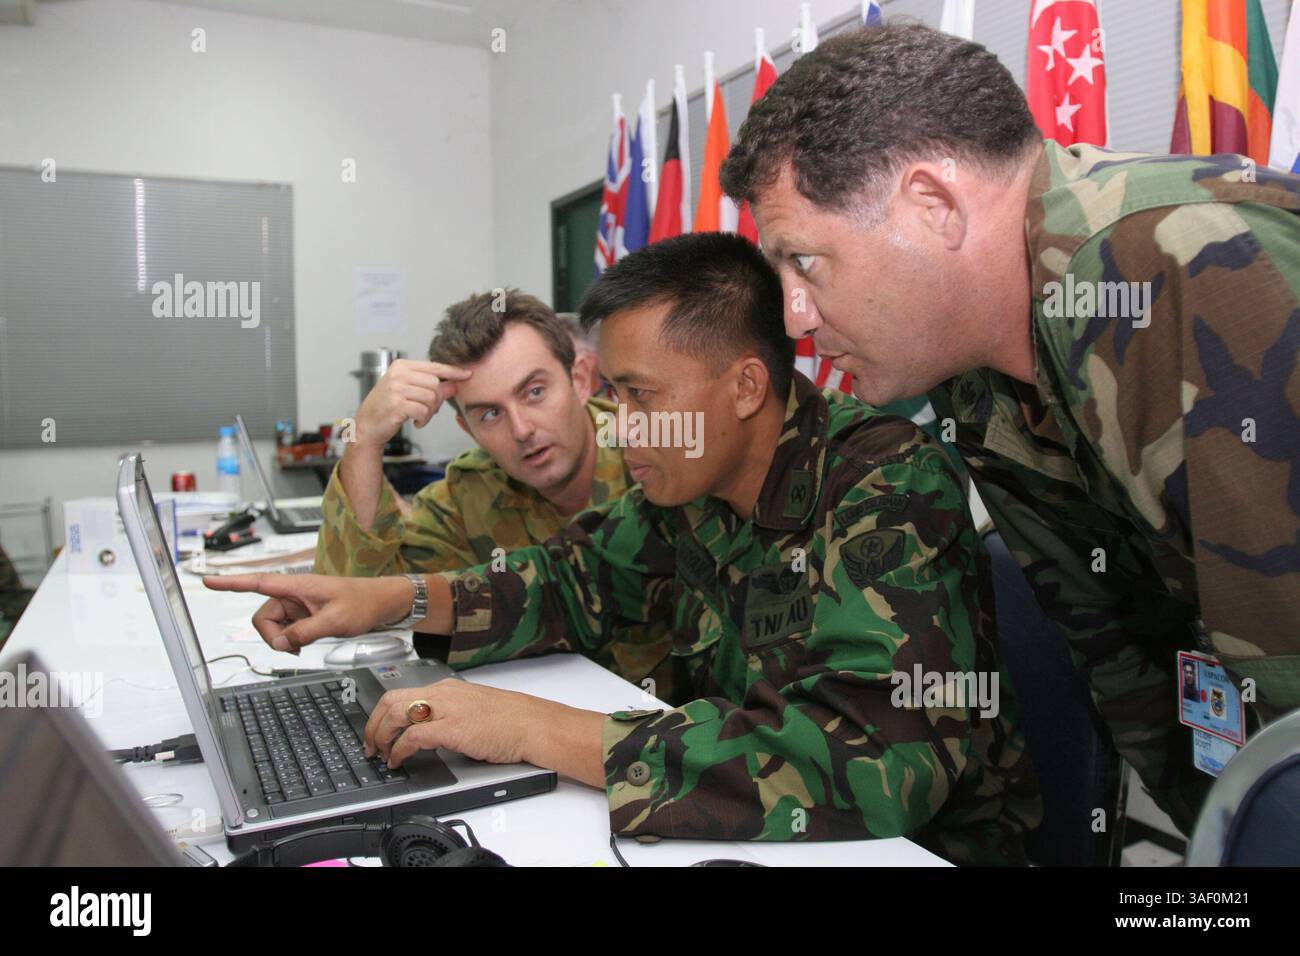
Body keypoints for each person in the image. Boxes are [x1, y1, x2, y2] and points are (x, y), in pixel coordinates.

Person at [208, 233, 1040, 864]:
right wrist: (387, 601)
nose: (624, 428)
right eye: (615, 394)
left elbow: (878, 762)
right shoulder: (688, 485)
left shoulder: (887, 485)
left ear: (746, 386)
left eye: (642, 397)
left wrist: (533, 727)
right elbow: (569, 582)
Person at [720, 22, 1300, 831]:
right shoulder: (976, 378)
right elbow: (1121, 646)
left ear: (932, 206)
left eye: (804, 262)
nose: (793, 318)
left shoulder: (1175, 262)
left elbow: (1290, 692)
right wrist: (1223, 840)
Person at [313, 289, 678, 701]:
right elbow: (358, 605)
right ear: (468, 430)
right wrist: (364, 440)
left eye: (535, 392)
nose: (521, 429)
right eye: (490, 413)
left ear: (579, 380)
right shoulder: (468, 497)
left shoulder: (661, 458)